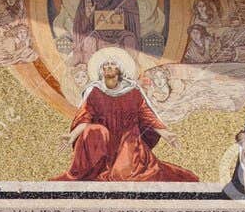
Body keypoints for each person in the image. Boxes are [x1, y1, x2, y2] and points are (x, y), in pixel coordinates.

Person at [53, 48, 196, 183]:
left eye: (113, 64)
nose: (109, 67)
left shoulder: (132, 92)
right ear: (101, 70)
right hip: (103, 142)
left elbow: (147, 116)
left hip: (127, 140)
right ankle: (93, 168)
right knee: (93, 130)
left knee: (124, 174)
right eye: (106, 65)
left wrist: (166, 134)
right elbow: (85, 117)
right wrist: (72, 135)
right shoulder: (95, 92)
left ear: (120, 69)